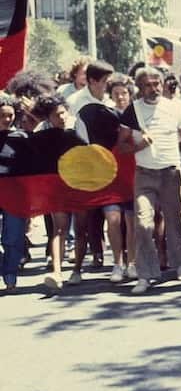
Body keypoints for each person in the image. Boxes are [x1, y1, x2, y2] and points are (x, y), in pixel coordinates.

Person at [118, 67, 181, 293]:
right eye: (148, 85)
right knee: (143, 223)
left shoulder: (175, 108)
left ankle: (180, 265)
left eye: (157, 84)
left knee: (175, 219)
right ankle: (145, 274)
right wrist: (140, 145)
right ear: (139, 88)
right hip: (144, 173)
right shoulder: (132, 111)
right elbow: (121, 146)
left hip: (171, 171)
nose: (153, 89)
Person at [64, 60, 117, 285]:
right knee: (83, 221)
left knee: (114, 217)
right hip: (82, 171)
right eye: (104, 81)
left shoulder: (111, 102)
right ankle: (76, 269)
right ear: (92, 81)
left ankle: (118, 263)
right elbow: (67, 134)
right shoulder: (73, 102)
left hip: (110, 168)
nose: (107, 85)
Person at [32, 95, 72, 290]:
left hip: (81, 185)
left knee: (82, 230)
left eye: (63, 113)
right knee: (59, 229)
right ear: (49, 117)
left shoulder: (75, 130)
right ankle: (57, 271)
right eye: (57, 115)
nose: (62, 118)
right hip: (55, 187)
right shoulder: (41, 134)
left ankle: (78, 269)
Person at [105, 75, 138, 282]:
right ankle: (117, 264)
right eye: (116, 94)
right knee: (113, 221)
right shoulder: (106, 116)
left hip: (134, 174)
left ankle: (132, 263)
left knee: (132, 222)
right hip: (110, 176)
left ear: (130, 94)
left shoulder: (138, 114)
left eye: (123, 93)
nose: (120, 97)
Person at [0, 95, 27, 291]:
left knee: (14, 236)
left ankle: (10, 273)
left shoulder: (20, 137)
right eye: (2, 116)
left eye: (10, 115)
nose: (7, 119)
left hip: (14, 194)